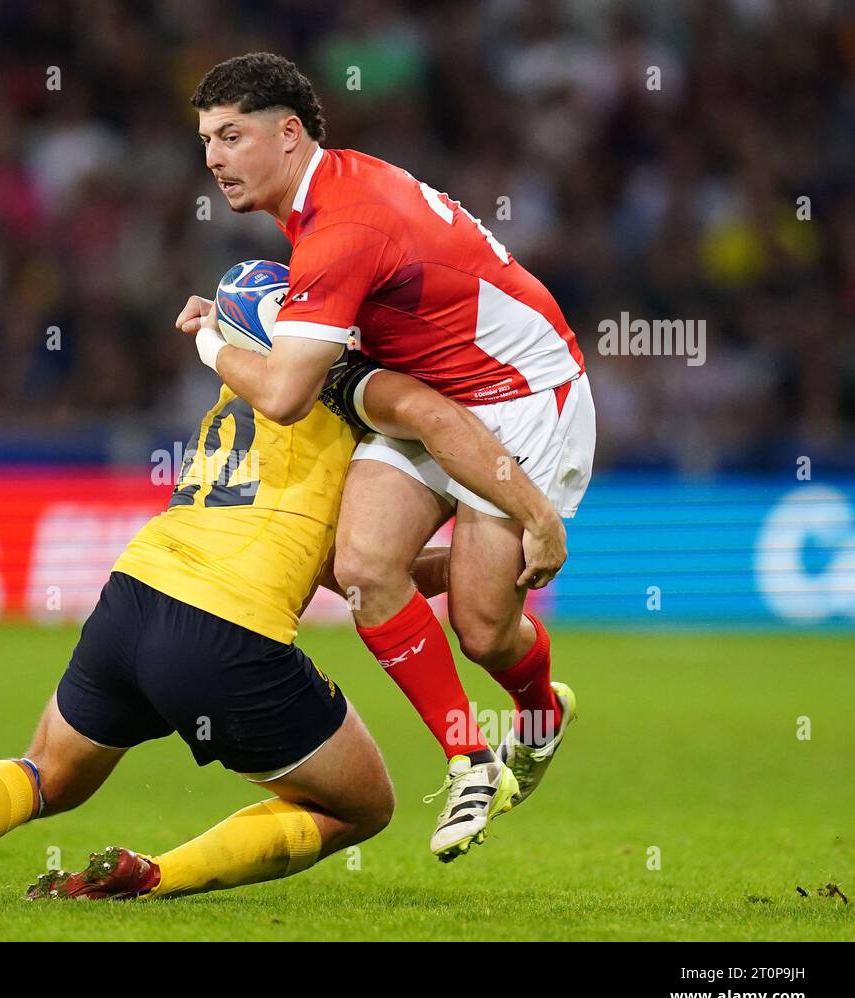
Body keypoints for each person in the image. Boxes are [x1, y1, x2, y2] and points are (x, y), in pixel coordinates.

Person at [0, 345, 560, 899]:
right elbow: (394, 471)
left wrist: (454, 571)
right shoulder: (352, 390)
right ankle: (153, 877)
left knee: (45, 773)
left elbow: (338, 566)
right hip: (228, 631)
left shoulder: (245, 380)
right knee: (363, 806)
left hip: (134, 596)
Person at [177, 52, 593, 859]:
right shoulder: (326, 195)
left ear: (288, 134)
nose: (214, 159)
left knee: (483, 631)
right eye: (206, 141)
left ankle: (541, 710)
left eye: (230, 136)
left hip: (522, 394)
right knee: (363, 567)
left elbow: (286, 394)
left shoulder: (341, 224)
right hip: (431, 394)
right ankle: (472, 758)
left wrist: (211, 343)